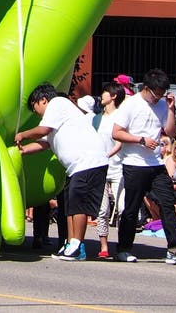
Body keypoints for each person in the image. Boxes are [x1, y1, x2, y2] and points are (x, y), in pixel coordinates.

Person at [111, 68, 176, 265]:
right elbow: (116, 133)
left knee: (167, 204)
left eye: (162, 93)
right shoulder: (130, 105)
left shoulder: (162, 105)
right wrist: (141, 140)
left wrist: (170, 109)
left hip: (156, 163)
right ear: (147, 88)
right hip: (134, 163)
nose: (158, 97)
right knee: (131, 208)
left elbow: (170, 131)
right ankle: (124, 248)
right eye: (156, 93)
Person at [16, 83, 107, 262]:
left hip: (89, 162)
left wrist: (23, 134)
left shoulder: (57, 103)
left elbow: (43, 131)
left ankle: (77, 245)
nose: (36, 113)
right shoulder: (55, 118)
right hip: (77, 167)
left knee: (79, 205)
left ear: (43, 100)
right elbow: (45, 142)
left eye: (35, 108)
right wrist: (23, 151)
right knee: (71, 206)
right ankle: (70, 243)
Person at [93, 81, 125, 259]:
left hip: (118, 167)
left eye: (105, 92)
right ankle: (103, 246)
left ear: (113, 96)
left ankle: (123, 244)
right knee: (102, 210)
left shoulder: (120, 116)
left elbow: (120, 142)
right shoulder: (97, 118)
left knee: (122, 207)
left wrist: (108, 154)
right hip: (100, 168)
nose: (102, 95)